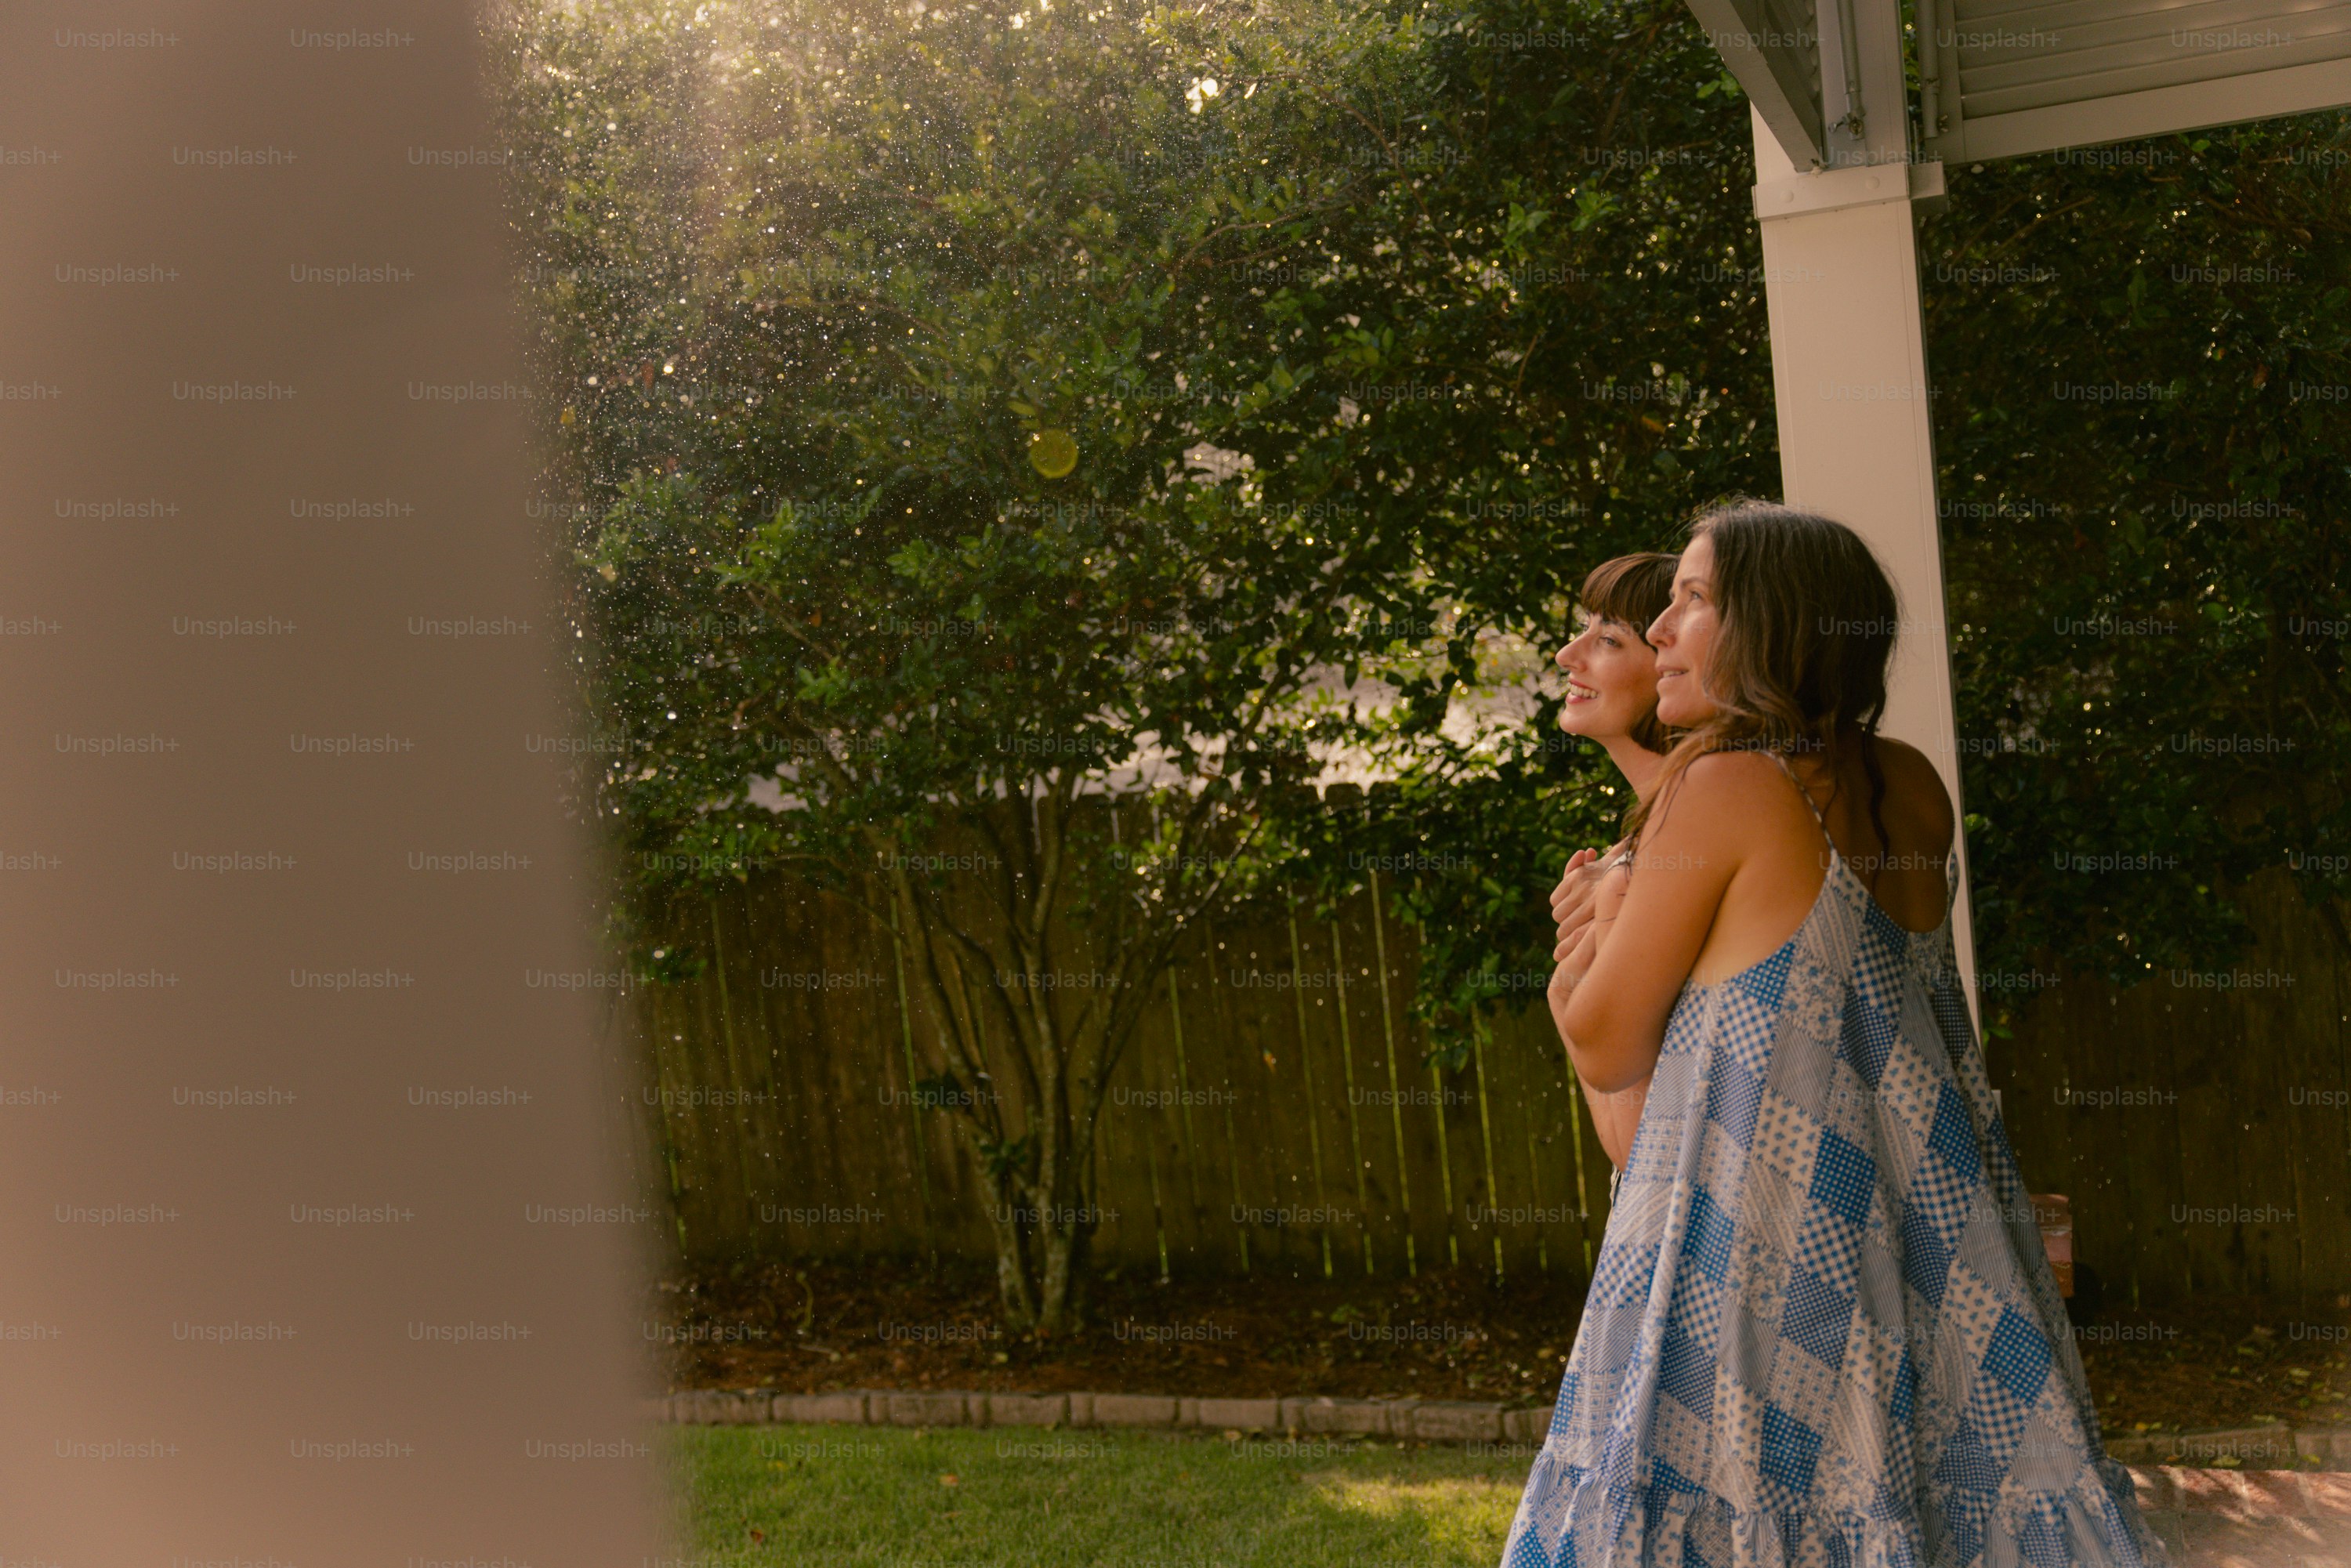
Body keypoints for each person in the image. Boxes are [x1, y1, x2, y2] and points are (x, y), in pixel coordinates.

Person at [1505, 503, 2161, 1568]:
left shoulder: (1723, 785)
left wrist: (1586, 943)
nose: (1662, 627)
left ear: (1773, 623)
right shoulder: (1908, 782)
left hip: (1767, 1261)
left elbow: (1607, 1048)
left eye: (1692, 598)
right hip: (1943, 1253)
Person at [1547, 552, 1678, 1173]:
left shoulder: (1660, 864)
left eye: (1608, 639)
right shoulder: (1646, 848)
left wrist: (1567, 987)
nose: (1566, 655)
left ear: (1677, 664)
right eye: (1584, 628)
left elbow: (1641, 1148)